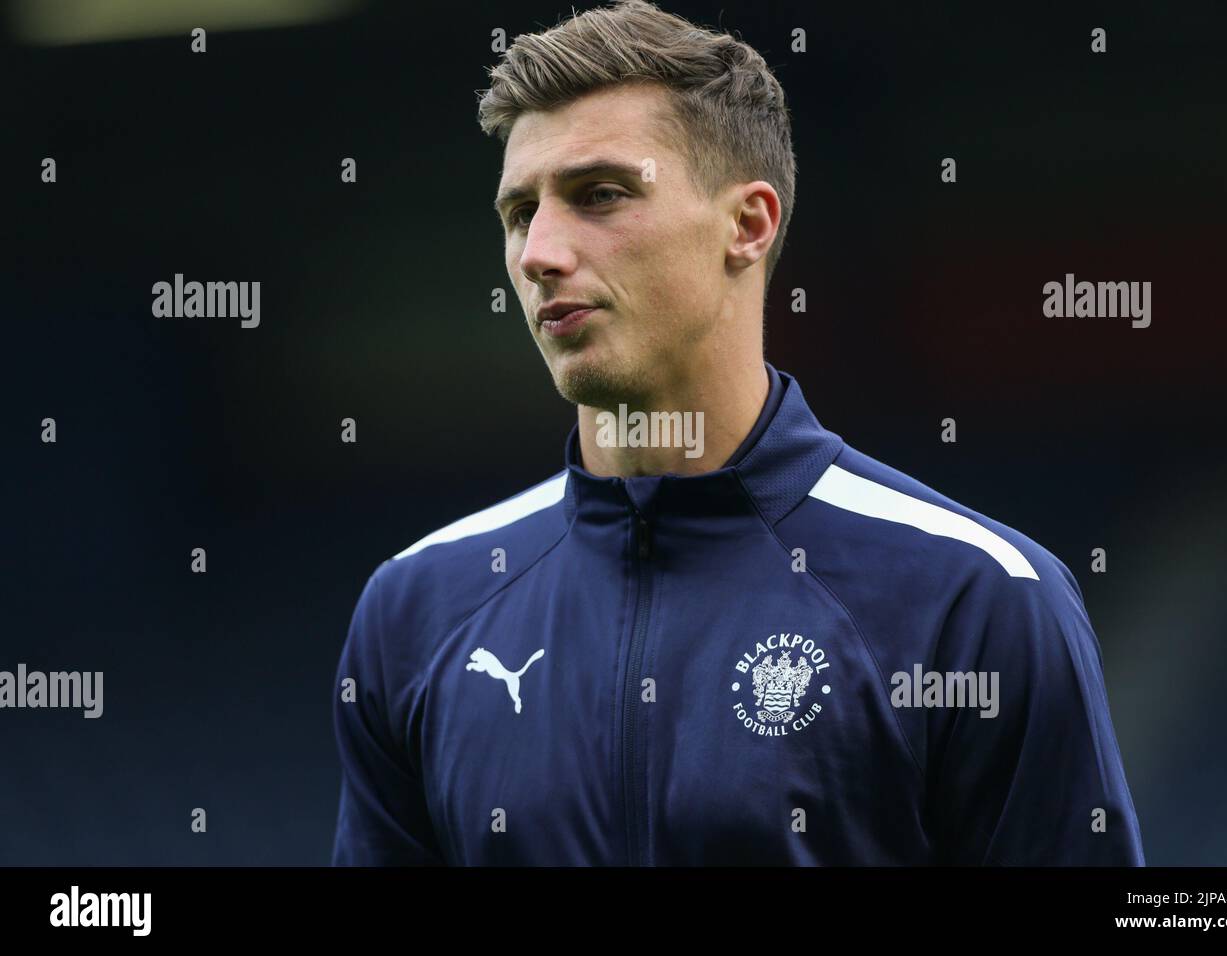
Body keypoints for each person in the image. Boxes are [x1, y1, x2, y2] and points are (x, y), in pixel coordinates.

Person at [331, 0, 1144, 865]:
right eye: (520, 212)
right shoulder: (417, 608)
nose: (540, 252)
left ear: (748, 225)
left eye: (599, 195)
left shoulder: (972, 598)